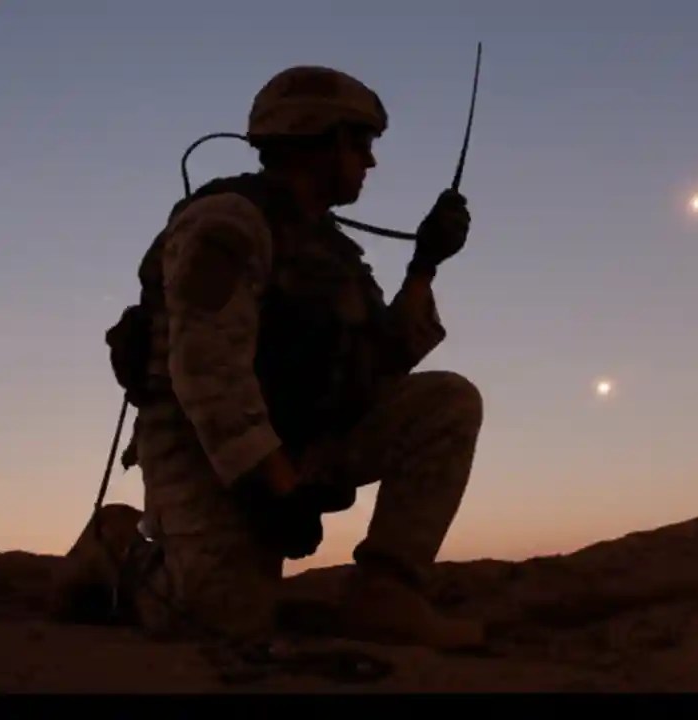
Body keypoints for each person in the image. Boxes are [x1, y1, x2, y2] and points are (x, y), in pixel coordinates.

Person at [54, 65, 486, 652]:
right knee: (225, 616)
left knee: (445, 402)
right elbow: (208, 376)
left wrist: (425, 265)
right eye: (360, 143)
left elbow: (380, 363)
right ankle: (116, 544)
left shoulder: (328, 249)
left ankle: (387, 593)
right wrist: (279, 486)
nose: (370, 162)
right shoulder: (227, 223)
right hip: (202, 437)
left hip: (300, 429)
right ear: (319, 138)